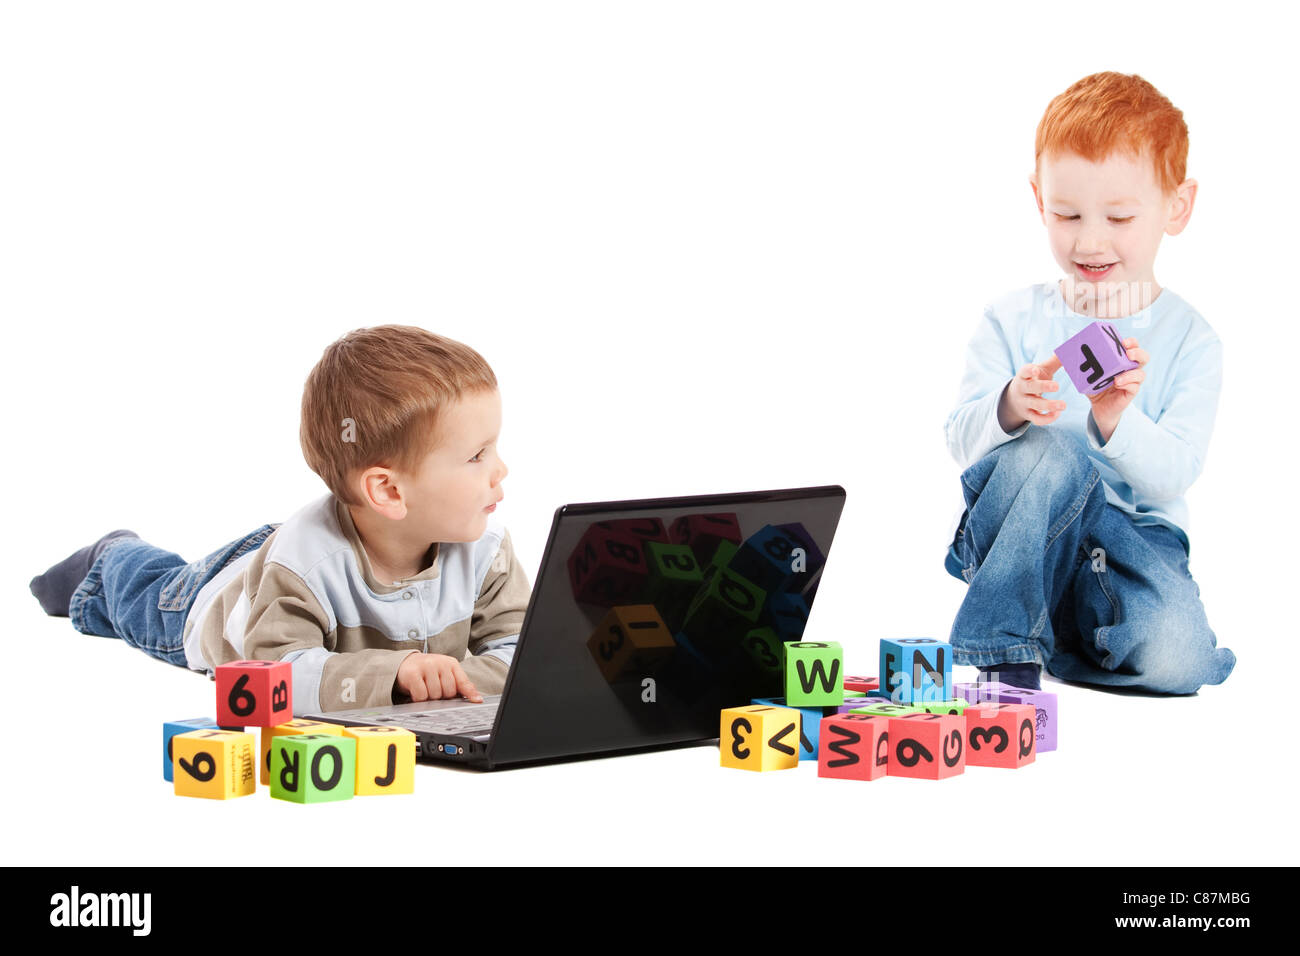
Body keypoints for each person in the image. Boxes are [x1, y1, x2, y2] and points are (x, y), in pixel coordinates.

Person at [30, 325, 529, 714]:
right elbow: (278, 674)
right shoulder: (304, 567)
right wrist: (396, 674)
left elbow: (524, 658)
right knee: (141, 595)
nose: (501, 469)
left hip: (292, 549)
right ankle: (111, 555)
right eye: (477, 455)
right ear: (389, 490)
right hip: (220, 600)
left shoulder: (486, 551)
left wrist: (451, 682)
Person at [942, 71, 1235, 694]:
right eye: (1068, 213)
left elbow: (1175, 474)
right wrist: (1009, 407)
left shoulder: (1193, 339)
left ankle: (1071, 634)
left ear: (1176, 207)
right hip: (1029, 531)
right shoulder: (1011, 318)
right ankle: (1006, 646)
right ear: (1038, 200)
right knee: (1046, 452)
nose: (1091, 240)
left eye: (1120, 216)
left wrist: (1115, 420)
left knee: (1180, 664)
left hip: (1135, 542)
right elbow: (961, 443)